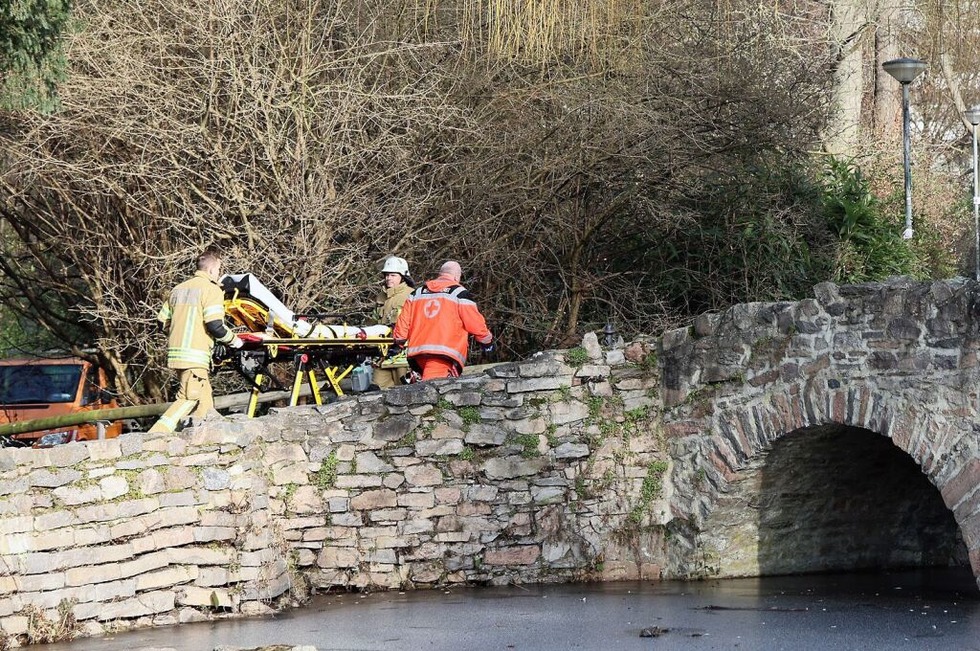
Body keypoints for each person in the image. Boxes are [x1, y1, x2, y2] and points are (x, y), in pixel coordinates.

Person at [148, 248, 243, 433]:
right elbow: (215, 325)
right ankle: (154, 436)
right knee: (188, 398)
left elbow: (161, 322)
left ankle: (206, 439)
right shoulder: (211, 289)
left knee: (204, 405)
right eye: (218, 270)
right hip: (195, 355)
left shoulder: (177, 290)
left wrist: (178, 333)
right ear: (211, 270)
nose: (219, 274)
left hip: (177, 354)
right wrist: (235, 341)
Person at [391, 260, 493, 381]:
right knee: (432, 389)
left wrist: (398, 343)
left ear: (441, 274)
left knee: (425, 386)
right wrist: (487, 342)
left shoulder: (416, 293)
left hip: (418, 354)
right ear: (457, 277)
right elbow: (475, 323)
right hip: (443, 354)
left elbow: (403, 322)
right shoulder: (459, 293)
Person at [374, 256, 414, 388]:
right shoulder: (381, 296)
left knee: (405, 389)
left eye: (393, 275)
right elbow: (374, 322)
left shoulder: (411, 295)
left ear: (403, 277)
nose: (388, 278)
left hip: (403, 355)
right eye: (386, 275)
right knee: (377, 388)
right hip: (383, 354)